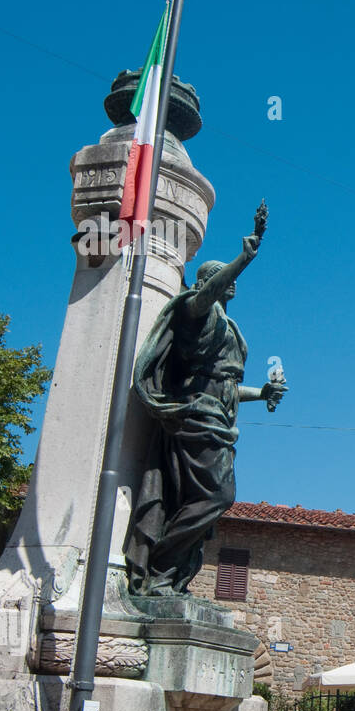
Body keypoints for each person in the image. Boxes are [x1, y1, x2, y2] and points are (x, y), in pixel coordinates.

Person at [124, 209, 287, 596]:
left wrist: (260, 393)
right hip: (196, 416)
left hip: (219, 421)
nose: (228, 284)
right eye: (218, 276)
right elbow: (206, 297)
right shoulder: (194, 312)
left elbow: (225, 383)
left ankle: (172, 576)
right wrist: (243, 259)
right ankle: (160, 568)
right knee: (218, 495)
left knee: (204, 499)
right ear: (205, 283)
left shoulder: (227, 325)